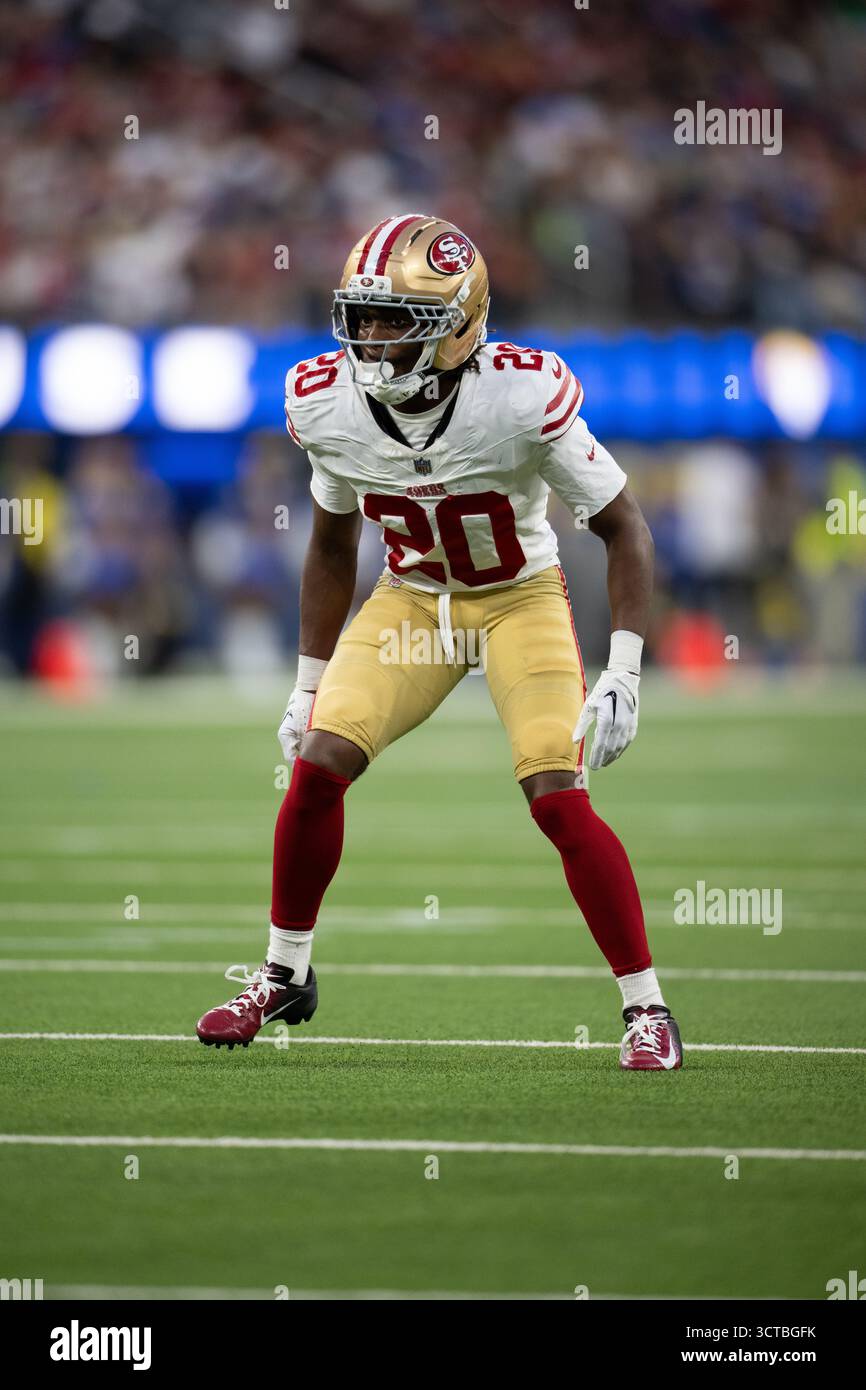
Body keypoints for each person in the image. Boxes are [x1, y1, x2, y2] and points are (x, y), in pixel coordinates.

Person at [196, 213, 683, 1070]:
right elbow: (330, 542)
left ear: (459, 325)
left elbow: (625, 529)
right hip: (412, 600)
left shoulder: (521, 394)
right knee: (316, 768)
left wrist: (627, 669)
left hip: (516, 600)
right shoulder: (323, 400)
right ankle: (283, 974)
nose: (372, 341)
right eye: (365, 317)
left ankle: (647, 1009)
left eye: (397, 321)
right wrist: (309, 681)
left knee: (557, 795)